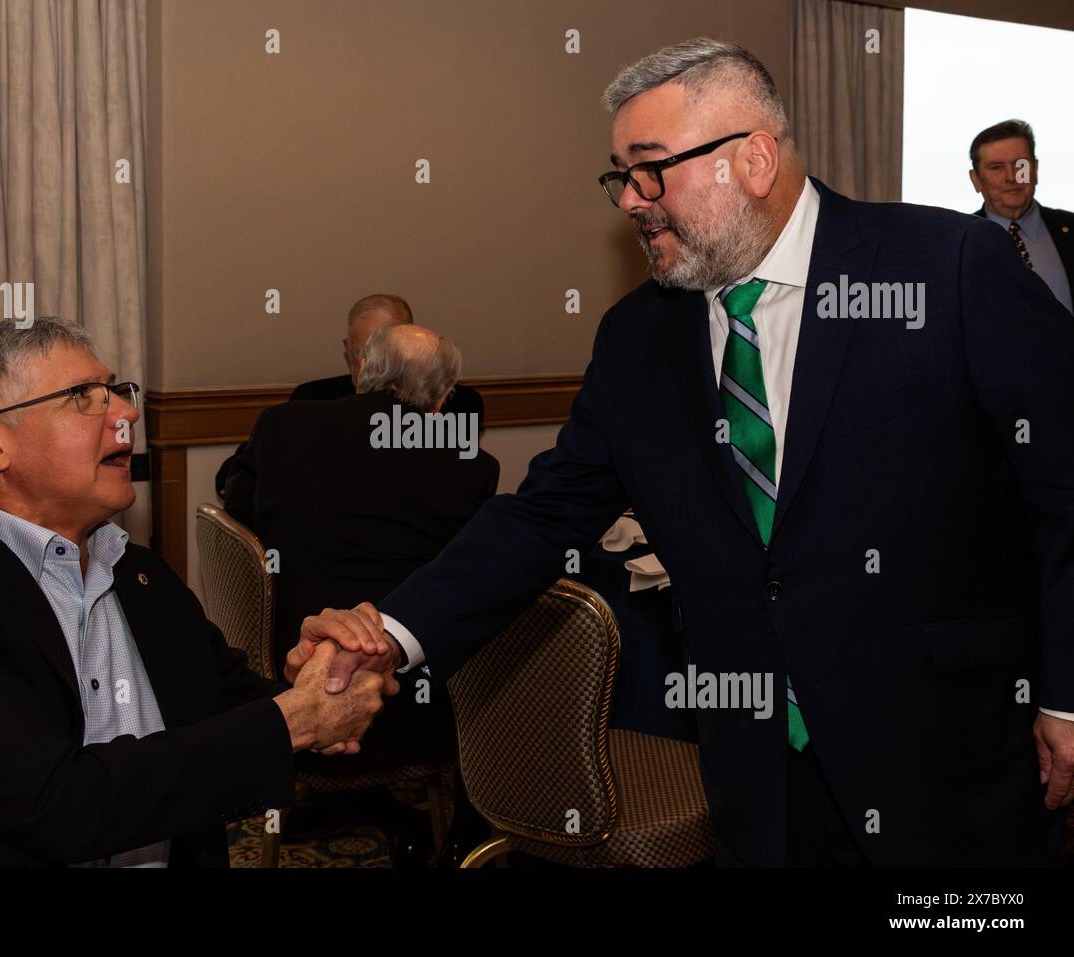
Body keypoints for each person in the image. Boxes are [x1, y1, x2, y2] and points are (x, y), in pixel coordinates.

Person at [293, 38, 1074, 867]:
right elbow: (542, 516)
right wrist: (390, 632)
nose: (630, 200)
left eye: (651, 169)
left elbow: (1062, 487)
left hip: (948, 755)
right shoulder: (639, 338)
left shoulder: (945, 268)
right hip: (757, 775)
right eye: (619, 175)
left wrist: (1067, 696)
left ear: (755, 159)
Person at [0, 318, 388, 866]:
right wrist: (293, 719)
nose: (127, 413)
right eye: (83, 396)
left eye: (117, 391)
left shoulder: (140, 574)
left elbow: (226, 711)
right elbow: (60, 807)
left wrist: (320, 680)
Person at [225, 324, 498, 864]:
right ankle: (474, 835)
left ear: (363, 372)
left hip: (289, 672)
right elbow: (470, 583)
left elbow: (239, 514)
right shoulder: (471, 466)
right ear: (444, 399)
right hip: (404, 700)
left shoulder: (283, 426)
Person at [215, 293, 483, 498]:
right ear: (351, 352)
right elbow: (236, 476)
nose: (379, 369)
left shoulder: (455, 404)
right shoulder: (312, 400)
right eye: (368, 355)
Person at [969, 119, 1074, 313]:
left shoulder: (1070, 228)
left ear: (1034, 169)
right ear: (976, 180)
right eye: (997, 167)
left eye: (1021, 165)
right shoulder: (960, 243)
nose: (1012, 176)